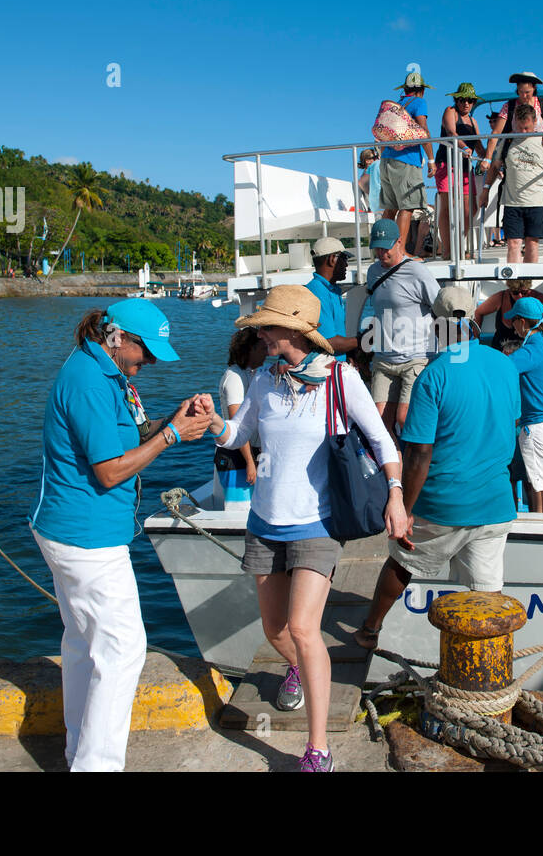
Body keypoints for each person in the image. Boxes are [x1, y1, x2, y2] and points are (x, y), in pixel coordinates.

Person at [199, 285, 406, 772]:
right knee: (275, 631)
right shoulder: (264, 382)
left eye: (268, 326)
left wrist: (395, 494)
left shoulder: (340, 377)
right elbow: (237, 435)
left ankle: (318, 750)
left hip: (317, 523)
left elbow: (384, 443)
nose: (261, 334)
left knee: (302, 628)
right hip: (265, 521)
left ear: (293, 330)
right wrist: (212, 421)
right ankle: (297, 668)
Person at [29, 299, 213, 771]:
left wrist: (172, 419)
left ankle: (78, 754)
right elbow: (110, 471)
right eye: (145, 353)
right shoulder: (91, 382)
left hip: (73, 531)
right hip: (86, 538)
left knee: (82, 645)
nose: (148, 363)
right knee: (123, 650)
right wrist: (171, 436)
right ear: (115, 337)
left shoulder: (108, 373)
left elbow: (128, 437)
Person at [355, 286, 521, 649]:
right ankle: (488, 659)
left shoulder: (434, 374)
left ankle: (370, 630)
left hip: (444, 504)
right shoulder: (505, 365)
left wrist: (405, 510)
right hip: (496, 504)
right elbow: (511, 426)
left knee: (401, 560)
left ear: (435, 323)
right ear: (475, 319)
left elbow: (418, 453)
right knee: (487, 592)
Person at [364, 218, 440, 440]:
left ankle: (422, 468)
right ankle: (396, 473)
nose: (381, 253)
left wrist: (449, 351)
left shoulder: (418, 272)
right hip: (383, 358)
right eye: (376, 248)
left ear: (399, 242)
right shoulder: (372, 272)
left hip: (416, 357)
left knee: (404, 418)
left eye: (385, 247)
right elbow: (373, 311)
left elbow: (441, 307)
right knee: (378, 423)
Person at [480, 71, 543, 254]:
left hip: (539, 154)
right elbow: (496, 134)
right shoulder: (508, 107)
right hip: (516, 153)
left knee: (542, 200)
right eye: (520, 92)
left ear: (534, 89)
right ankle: (522, 241)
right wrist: (488, 157)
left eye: (527, 92)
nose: (524, 96)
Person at [505, 295, 543, 513]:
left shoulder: (532, 349)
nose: (512, 325)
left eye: (514, 320)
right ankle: (542, 524)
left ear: (522, 321)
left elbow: (502, 368)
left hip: (540, 425)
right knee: (542, 482)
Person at [484, 103, 543, 263]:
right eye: (519, 128)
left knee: (532, 244)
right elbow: (495, 167)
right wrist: (485, 190)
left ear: (534, 123)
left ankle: (527, 285)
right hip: (512, 203)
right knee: (513, 244)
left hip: (537, 202)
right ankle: (514, 285)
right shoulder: (507, 141)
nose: (523, 132)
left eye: (526, 128)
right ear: (514, 122)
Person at [380, 73, 436, 254]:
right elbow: (424, 132)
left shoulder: (396, 106)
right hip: (406, 161)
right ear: (422, 91)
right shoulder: (419, 103)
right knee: (408, 206)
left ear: (404, 90)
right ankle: (401, 251)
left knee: (391, 207)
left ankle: (383, 249)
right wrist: (431, 160)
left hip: (387, 159)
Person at [435, 83, 487, 259]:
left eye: (470, 100)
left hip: (465, 168)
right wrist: (464, 147)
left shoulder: (473, 121)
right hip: (447, 163)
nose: (466, 103)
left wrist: (490, 159)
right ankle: (447, 249)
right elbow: (451, 132)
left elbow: (479, 145)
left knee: (470, 208)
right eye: (463, 99)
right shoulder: (450, 111)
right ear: (456, 100)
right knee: (448, 206)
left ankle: (457, 244)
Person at [217, 327, 268, 491]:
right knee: (240, 510)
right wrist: (249, 462)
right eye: (263, 348)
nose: (266, 353)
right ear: (250, 349)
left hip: (257, 453)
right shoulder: (234, 377)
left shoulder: (254, 374)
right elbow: (238, 424)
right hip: (238, 456)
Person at [475, 279, 543, 353]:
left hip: (526, 352)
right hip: (501, 350)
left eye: (524, 293)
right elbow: (478, 312)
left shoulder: (539, 299)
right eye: (515, 293)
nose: (520, 296)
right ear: (509, 290)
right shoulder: (501, 297)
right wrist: (475, 342)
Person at [306, 236, 358, 362]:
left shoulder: (330, 290)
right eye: (344, 258)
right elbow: (329, 342)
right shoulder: (317, 291)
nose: (346, 264)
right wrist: (361, 341)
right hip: (325, 374)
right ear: (331, 259)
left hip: (335, 369)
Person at [356, 147, 381, 214]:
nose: (378, 159)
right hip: (375, 211)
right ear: (367, 161)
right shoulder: (367, 176)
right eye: (375, 157)